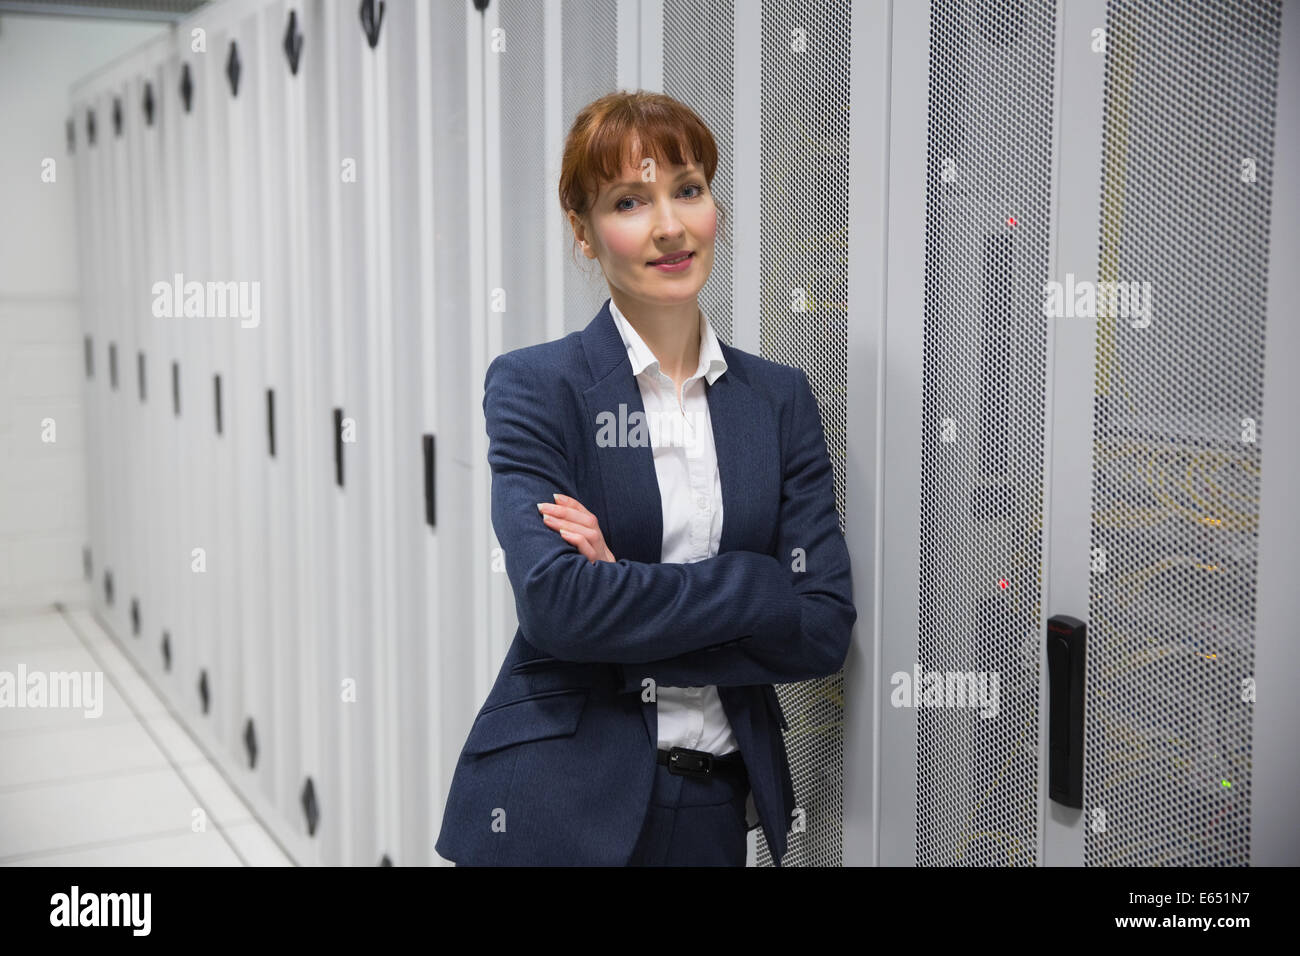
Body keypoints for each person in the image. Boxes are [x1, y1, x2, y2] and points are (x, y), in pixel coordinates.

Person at [435, 91, 856, 866]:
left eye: (687, 189)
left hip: (717, 799)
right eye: (630, 201)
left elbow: (823, 625)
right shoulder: (538, 386)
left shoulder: (778, 398)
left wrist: (622, 591)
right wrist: (757, 586)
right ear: (584, 234)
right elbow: (558, 607)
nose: (669, 226)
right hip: (559, 799)